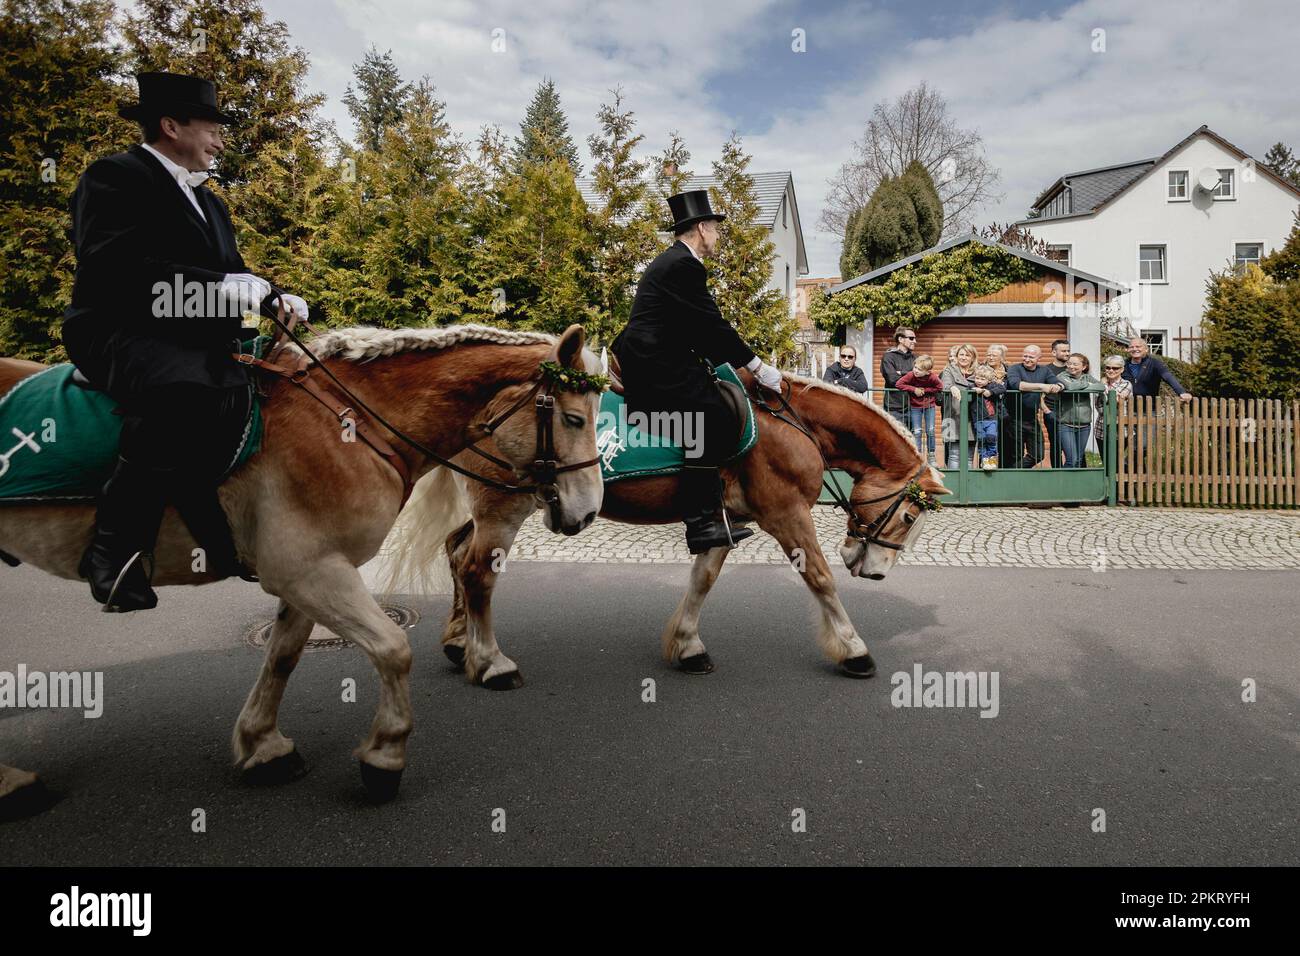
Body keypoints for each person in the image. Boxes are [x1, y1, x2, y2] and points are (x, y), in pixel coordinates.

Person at [61, 72, 311, 612]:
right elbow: (113, 270)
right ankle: (112, 551)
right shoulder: (115, 176)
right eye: (213, 129)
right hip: (119, 328)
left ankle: (213, 529)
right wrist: (217, 287)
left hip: (191, 335)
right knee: (183, 390)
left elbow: (234, 273)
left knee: (251, 391)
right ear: (171, 126)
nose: (220, 141)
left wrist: (277, 297)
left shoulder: (212, 204)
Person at [611, 189, 782, 555]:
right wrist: (757, 366)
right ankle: (702, 521)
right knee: (713, 416)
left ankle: (718, 505)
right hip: (654, 366)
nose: (718, 236)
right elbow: (711, 325)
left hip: (662, 359)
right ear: (702, 228)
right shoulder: (682, 265)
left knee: (716, 401)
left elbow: (693, 328)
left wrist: (721, 362)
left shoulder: (674, 263)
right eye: (716, 229)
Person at [1005, 345, 1061, 468]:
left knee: (1038, 454)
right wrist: (1041, 386)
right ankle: (1014, 480)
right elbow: (1016, 385)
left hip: (1032, 419)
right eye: (1025, 356)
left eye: (1031, 357)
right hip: (1014, 418)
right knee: (1015, 454)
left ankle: (1013, 472)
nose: (1027, 359)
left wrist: (1058, 386)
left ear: (1039, 358)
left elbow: (1056, 382)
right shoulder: (1014, 368)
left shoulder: (1044, 370)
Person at [1055, 353, 1102, 468]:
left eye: (1075, 364)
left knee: (1079, 460)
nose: (1071, 366)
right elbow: (1070, 388)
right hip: (1066, 424)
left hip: (1084, 425)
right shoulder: (1062, 376)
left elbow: (1101, 387)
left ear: (1084, 367)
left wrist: (1079, 386)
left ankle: (1074, 485)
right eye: (1069, 363)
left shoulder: (1087, 376)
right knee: (1072, 459)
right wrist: (1086, 385)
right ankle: (1063, 484)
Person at [895, 355, 943, 465]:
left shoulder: (932, 377)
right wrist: (914, 389)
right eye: (915, 367)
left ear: (927, 372)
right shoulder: (911, 375)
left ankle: (931, 455)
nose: (916, 371)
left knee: (930, 430)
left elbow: (939, 387)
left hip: (929, 406)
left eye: (920, 370)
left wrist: (925, 390)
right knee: (917, 431)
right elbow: (898, 384)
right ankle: (918, 456)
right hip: (915, 406)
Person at [940, 343, 978, 468]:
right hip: (952, 416)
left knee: (969, 456)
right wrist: (952, 387)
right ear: (956, 356)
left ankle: (968, 485)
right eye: (961, 354)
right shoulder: (949, 369)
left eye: (967, 355)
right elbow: (945, 385)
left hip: (972, 417)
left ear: (972, 358)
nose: (964, 357)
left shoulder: (978, 371)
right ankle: (955, 486)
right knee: (954, 455)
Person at [1122, 337, 1193, 401]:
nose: (1134, 349)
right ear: (1128, 350)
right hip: (1127, 408)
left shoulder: (1155, 364)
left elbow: (1167, 376)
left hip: (1149, 408)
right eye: (1131, 347)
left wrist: (1181, 392)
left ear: (1146, 349)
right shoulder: (1123, 365)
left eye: (1138, 346)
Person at [1094, 355, 1132, 473]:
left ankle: (1119, 489)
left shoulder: (1126, 384)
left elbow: (1112, 399)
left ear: (1122, 369)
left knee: (1115, 461)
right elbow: (1099, 406)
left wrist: (1103, 385)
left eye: (1115, 368)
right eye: (1108, 368)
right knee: (1106, 462)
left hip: (1120, 430)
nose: (1111, 370)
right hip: (1101, 428)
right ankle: (1108, 489)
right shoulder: (1100, 383)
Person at [968, 364, 1006, 469]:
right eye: (977, 378)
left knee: (991, 438)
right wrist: (974, 390)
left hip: (991, 419)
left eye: (982, 379)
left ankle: (992, 459)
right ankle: (984, 460)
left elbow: (1002, 388)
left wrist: (989, 392)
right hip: (978, 420)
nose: (979, 381)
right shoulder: (972, 387)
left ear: (989, 380)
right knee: (982, 440)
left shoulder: (992, 386)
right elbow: (967, 390)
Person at [1042, 338, 1071, 468]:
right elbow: (1039, 394)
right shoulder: (1045, 370)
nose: (1067, 353)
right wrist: (1046, 411)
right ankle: (1057, 473)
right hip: (1052, 412)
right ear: (1054, 352)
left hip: (1070, 412)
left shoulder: (1073, 368)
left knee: (1071, 445)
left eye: (1068, 350)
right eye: (1063, 351)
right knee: (1055, 444)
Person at [880, 328, 916, 429]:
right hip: (894, 408)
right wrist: (911, 374)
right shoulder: (888, 357)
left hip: (912, 407)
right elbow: (892, 380)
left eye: (915, 338)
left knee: (910, 441)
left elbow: (921, 378)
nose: (915, 341)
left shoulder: (915, 358)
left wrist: (902, 373)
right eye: (911, 338)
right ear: (900, 339)